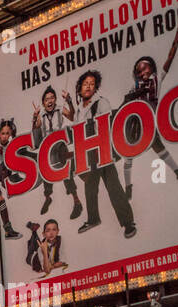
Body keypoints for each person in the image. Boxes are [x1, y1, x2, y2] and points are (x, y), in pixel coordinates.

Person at [120, 19, 178, 200]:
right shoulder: (134, 86)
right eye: (140, 70)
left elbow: (170, 57)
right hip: (134, 122)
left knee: (159, 147)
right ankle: (128, 186)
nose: (143, 72)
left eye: (146, 68)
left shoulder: (157, 78)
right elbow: (125, 103)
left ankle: (177, 171)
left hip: (149, 122)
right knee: (128, 155)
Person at [73, 70, 137, 239]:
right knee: (90, 187)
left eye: (92, 84)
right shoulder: (79, 109)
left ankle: (128, 223)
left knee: (113, 187)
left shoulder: (101, 103)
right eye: (85, 83)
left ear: (96, 88)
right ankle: (93, 218)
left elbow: (108, 126)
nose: (88, 87)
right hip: (89, 154)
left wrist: (106, 150)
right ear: (80, 87)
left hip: (102, 150)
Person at [30, 87, 82, 219]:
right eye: (47, 99)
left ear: (55, 99)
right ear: (43, 103)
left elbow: (71, 116)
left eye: (52, 98)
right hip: (48, 148)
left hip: (60, 146)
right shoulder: (41, 115)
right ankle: (48, 197)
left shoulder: (59, 109)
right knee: (45, 172)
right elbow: (35, 131)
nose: (50, 101)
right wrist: (34, 117)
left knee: (66, 172)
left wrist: (69, 101)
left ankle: (77, 201)